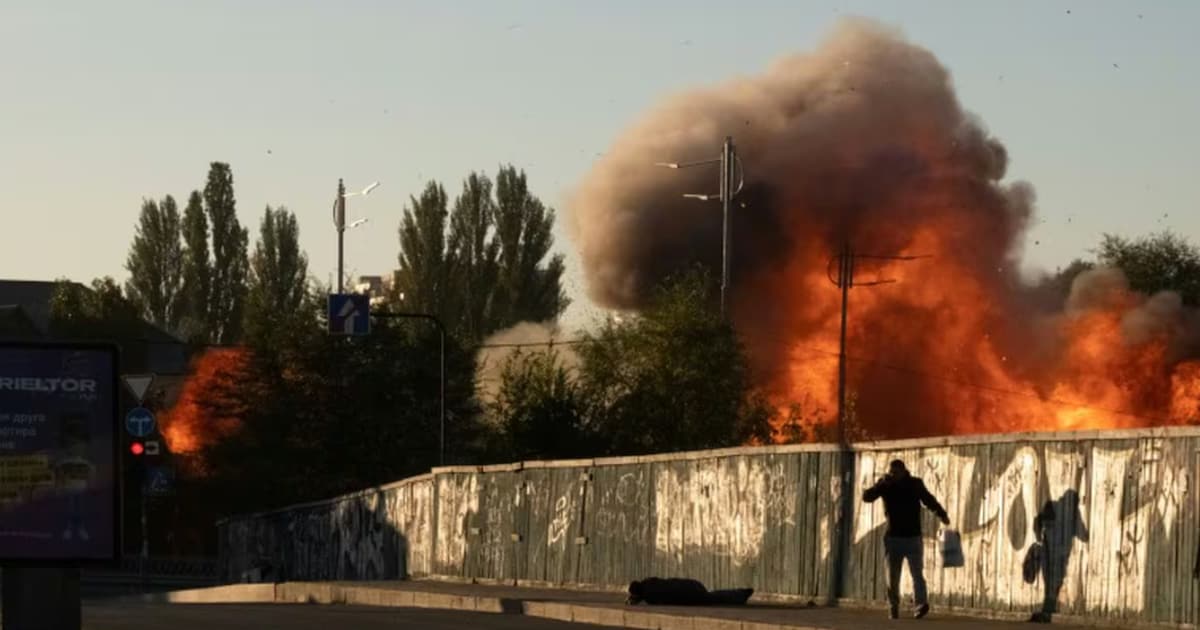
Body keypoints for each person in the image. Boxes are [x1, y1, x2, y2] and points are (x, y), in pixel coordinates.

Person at [862, 459, 949, 620]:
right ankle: (893, 606)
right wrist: (880, 485)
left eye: (896, 472)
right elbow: (866, 497)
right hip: (893, 537)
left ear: (904, 471)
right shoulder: (886, 485)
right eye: (891, 472)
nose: (893, 475)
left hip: (913, 537)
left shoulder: (915, 484)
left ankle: (920, 605)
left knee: (917, 573)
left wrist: (941, 514)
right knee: (892, 576)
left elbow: (928, 499)